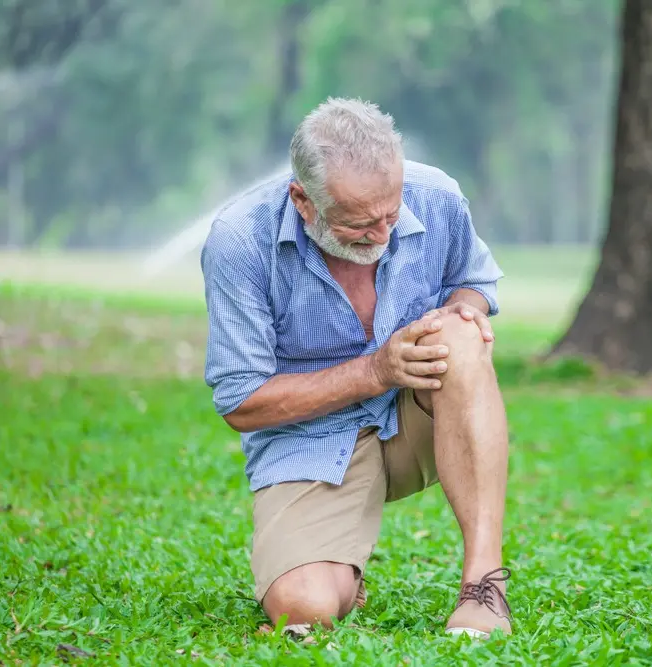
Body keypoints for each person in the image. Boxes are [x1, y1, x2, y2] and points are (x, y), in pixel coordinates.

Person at [199, 97, 513, 638]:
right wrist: (375, 372)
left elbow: (474, 282)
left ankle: (484, 585)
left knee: (461, 334)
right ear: (303, 200)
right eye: (359, 224)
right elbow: (242, 402)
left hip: (421, 419)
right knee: (304, 609)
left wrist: (461, 311)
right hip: (309, 441)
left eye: (391, 214)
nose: (384, 234)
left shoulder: (436, 195)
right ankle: (335, 566)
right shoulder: (239, 241)